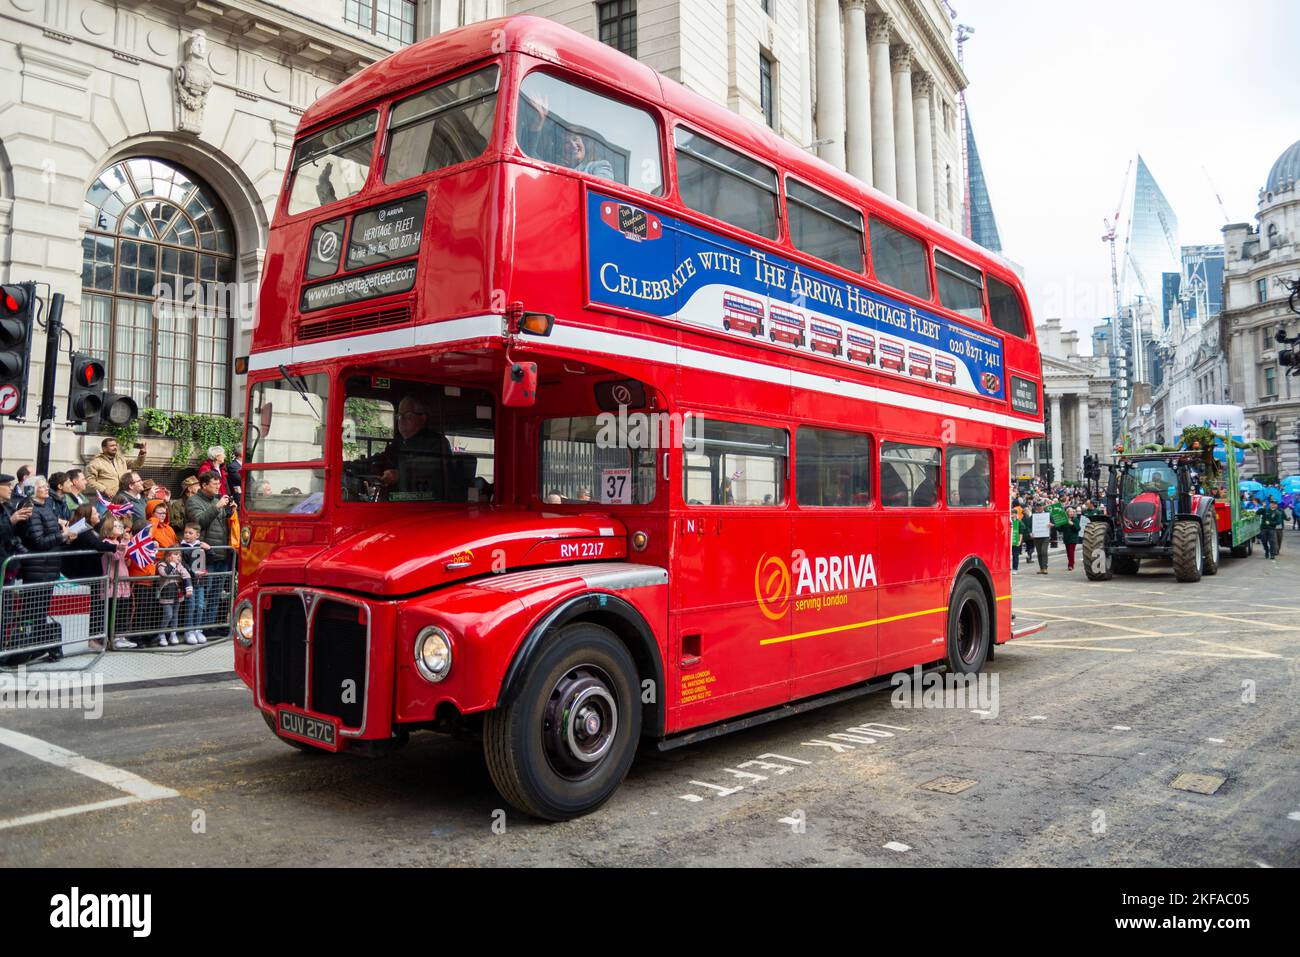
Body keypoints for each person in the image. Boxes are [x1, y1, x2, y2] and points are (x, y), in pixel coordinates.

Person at [18, 476, 80, 661]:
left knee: (41, 610)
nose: (46, 488)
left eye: (46, 485)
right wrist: (62, 536)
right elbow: (38, 541)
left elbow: (51, 536)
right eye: (42, 486)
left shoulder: (47, 507)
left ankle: (39, 648)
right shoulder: (31, 509)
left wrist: (66, 537)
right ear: (32, 490)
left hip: (49, 566)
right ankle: (32, 649)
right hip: (38, 567)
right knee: (35, 611)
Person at [186, 471, 232, 634]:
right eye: (214, 484)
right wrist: (217, 507)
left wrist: (230, 511)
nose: (218, 486)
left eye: (219, 484)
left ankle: (209, 627)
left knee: (215, 594)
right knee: (202, 595)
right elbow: (198, 522)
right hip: (204, 555)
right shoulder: (193, 501)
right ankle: (196, 628)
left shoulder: (217, 500)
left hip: (221, 553)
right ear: (204, 485)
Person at [99, 515, 137, 649]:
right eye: (117, 526)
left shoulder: (118, 542)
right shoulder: (106, 543)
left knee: (122, 609)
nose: (121, 528)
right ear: (109, 528)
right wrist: (125, 543)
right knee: (113, 610)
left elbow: (122, 557)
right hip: (112, 582)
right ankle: (113, 638)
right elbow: (116, 556)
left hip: (122, 580)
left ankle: (121, 636)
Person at [178, 523, 211, 644]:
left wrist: (209, 549)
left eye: (190, 533)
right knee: (190, 606)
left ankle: (198, 629)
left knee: (200, 606)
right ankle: (189, 630)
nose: (187, 535)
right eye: (186, 532)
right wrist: (192, 572)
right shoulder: (182, 547)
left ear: (197, 535)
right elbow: (183, 564)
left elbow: (211, 559)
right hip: (189, 582)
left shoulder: (201, 546)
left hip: (201, 582)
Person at [154, 549, 193, 647]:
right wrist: (172, 563)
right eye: (175, 555)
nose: (178, 557)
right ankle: (161, 634)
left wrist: (189, 588)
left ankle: (173, 634)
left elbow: (186, 574)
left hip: (177, 594)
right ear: (168, 555)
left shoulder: (179, 565)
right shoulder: (162, 564)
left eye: (179, 555)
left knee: (175, 615)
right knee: (168, 614)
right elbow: (164, 573)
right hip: (166, 594)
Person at [1026, 502, 1050, 575]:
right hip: (1036, 537)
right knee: (1039, 553)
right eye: (1038, 506)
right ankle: (1041, 568)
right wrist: (1030, 532)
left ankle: (1045, 568)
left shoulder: (1048, 515)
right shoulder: (1034, 516)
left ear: (1043, 507)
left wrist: (1052, 525)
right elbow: (1028, 525)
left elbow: (1054, 523)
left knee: (1044, 551)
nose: (1039, 508)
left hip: (1045, 536)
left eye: (1040, 506)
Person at [1062, 506, 1082, 572]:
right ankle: (1071, 563)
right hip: (1066, 538)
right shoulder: (1064, 520)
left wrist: (1072, 524)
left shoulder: (1075, 519)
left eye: (1072, 512)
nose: (1071, 513)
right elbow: (1060, 528)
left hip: (1073, 539)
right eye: (1070, 512)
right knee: (1068, 553)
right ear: (1067, 513)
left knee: (1071, 552)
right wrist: (1054, 526)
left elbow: (1078, 528)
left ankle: (1070, 565)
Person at [1010, 505, 1021, 575]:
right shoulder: (1008, 521)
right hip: (1008, 542)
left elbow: (1021, 533)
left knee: (1015, 555)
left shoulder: (1019, 522)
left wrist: (1019, 541)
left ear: (1016, 514)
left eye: (1013, 513)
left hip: (1015, 541)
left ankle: (1015, 568)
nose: (1012, 514)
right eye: (1011, 513)